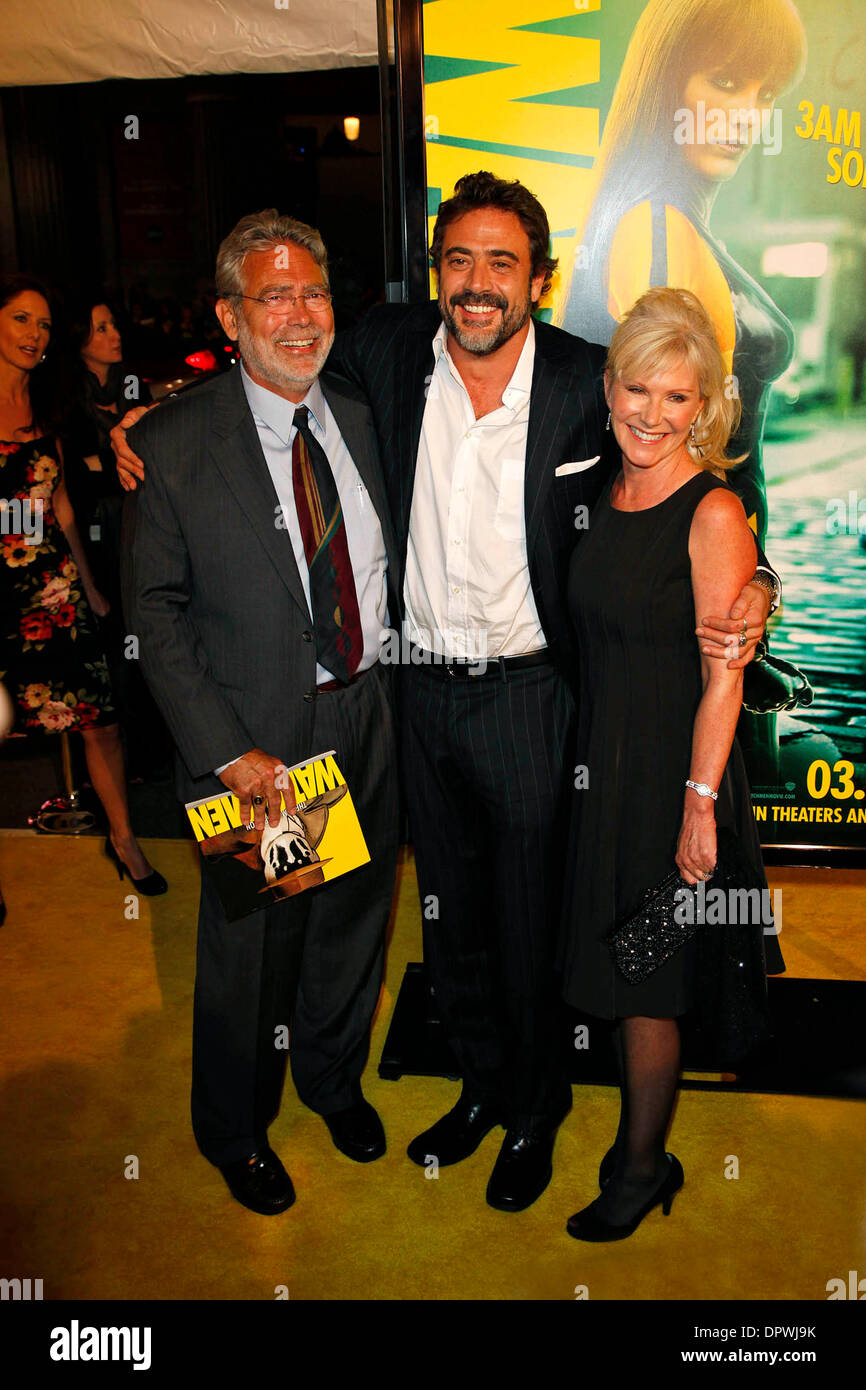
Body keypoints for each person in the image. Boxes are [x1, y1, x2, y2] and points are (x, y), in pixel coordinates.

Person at [112, 173, 779, 1213]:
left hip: (524, 702)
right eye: (456, 261)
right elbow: (237, 422)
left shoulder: (585, 384)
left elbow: (685, 474)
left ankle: (524, 1108)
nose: (476, 285)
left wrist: (758, 580)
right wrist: (148, 424)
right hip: (388, 709)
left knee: (504, 925)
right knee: (413, 921)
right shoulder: (377, 360)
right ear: (435, 275)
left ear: (539, 282)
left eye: (500, 264)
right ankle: (419, 1095)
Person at [120, 212, 401, 1216]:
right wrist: (227, 755)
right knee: (254, 948)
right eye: (271, 296)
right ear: (230, 314)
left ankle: (329, 1082)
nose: (296, 315)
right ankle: (234, 1128)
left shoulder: (359, 414)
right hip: (261, 754)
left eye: (312, 293)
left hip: (369, 719)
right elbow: (152, 616)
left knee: (349, 923)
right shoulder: (170, 443)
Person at [559, 287, 784, 1242]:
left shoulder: (713, 510)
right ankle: (644, 1149)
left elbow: (724, 679)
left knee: (650, 990)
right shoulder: (595, 489)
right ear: (608, 389)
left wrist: (698, 809)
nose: (653, 414)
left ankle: (643, 1168)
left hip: (675, 779)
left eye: (679, 398)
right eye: (638, 390)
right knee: (616, 977)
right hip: (600, 772)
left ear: (709, 407)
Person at [559, 0, 807, 553]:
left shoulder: (674, 228)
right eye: (725, 81)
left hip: (714, 572)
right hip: (690, 575)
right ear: (667, 84)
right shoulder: (658, 231)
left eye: (765, 94)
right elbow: (659, 444)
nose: (746, 114)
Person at [0, 274, 165, 894]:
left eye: (42, 324)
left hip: (52, 587)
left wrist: (89, 586)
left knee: (102, 722)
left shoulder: (50, 406)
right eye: (20, 319)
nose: (33, 333)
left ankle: (124, 841)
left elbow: (61, 500)